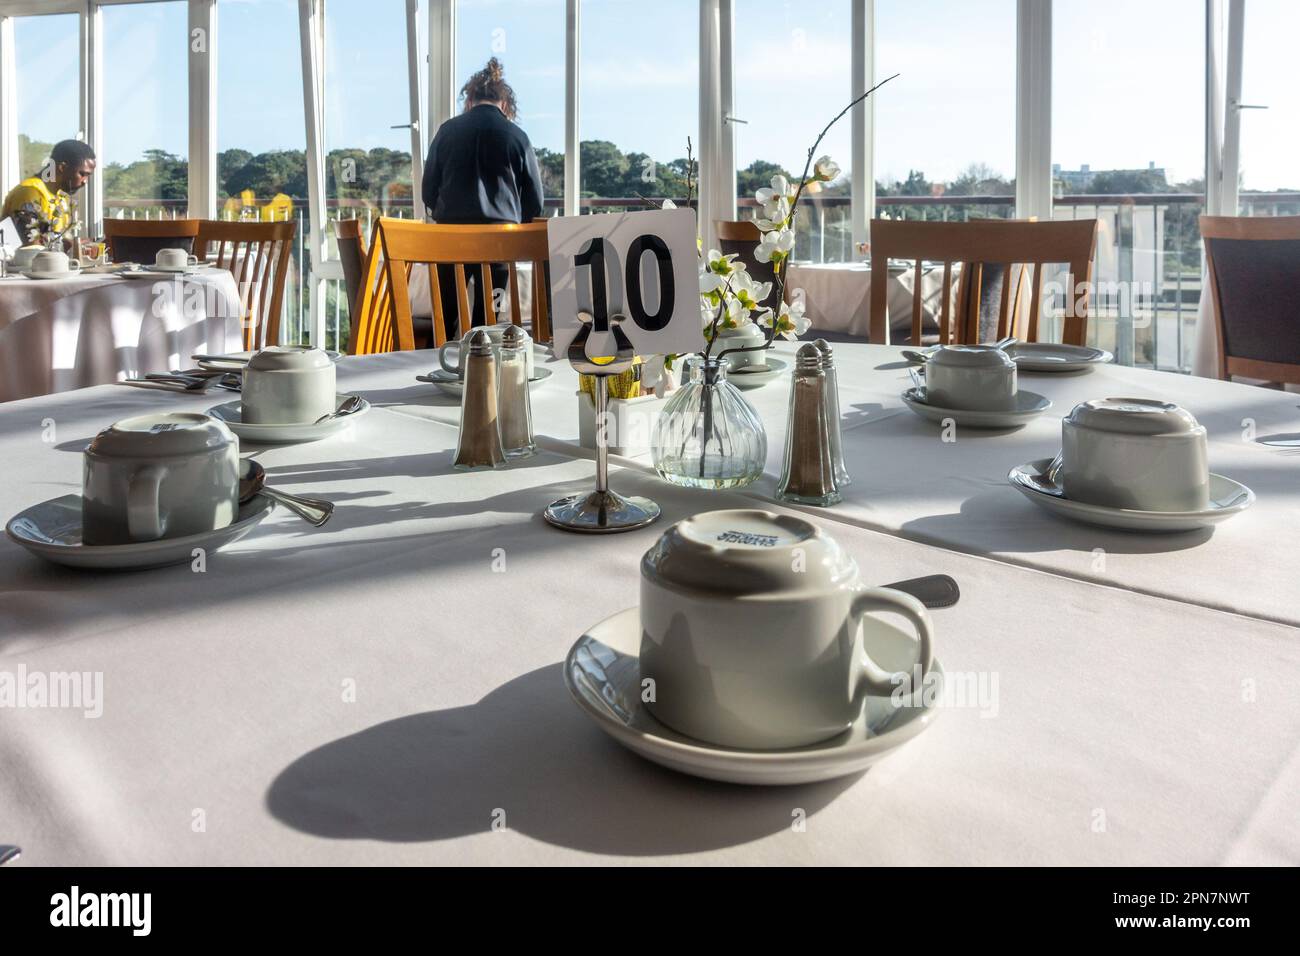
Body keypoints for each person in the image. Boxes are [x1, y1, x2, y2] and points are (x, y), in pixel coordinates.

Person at [422, 58, 545, 341]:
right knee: (489, 317)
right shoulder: (518, 137)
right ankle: (484, 370)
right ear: (504, 104)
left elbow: (428, 190)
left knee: (446, 317)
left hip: (450, 242)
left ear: (469, 100)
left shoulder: (447, 131)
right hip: (500, 245)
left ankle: (434, 366)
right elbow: (535, 203)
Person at [2, 139, 96, 247]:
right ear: (62, 167)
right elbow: (30, 247)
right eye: (82, 174)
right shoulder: (29, 192)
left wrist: (75, 245)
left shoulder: (61, 197)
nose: (85, 181)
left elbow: (56, 240)